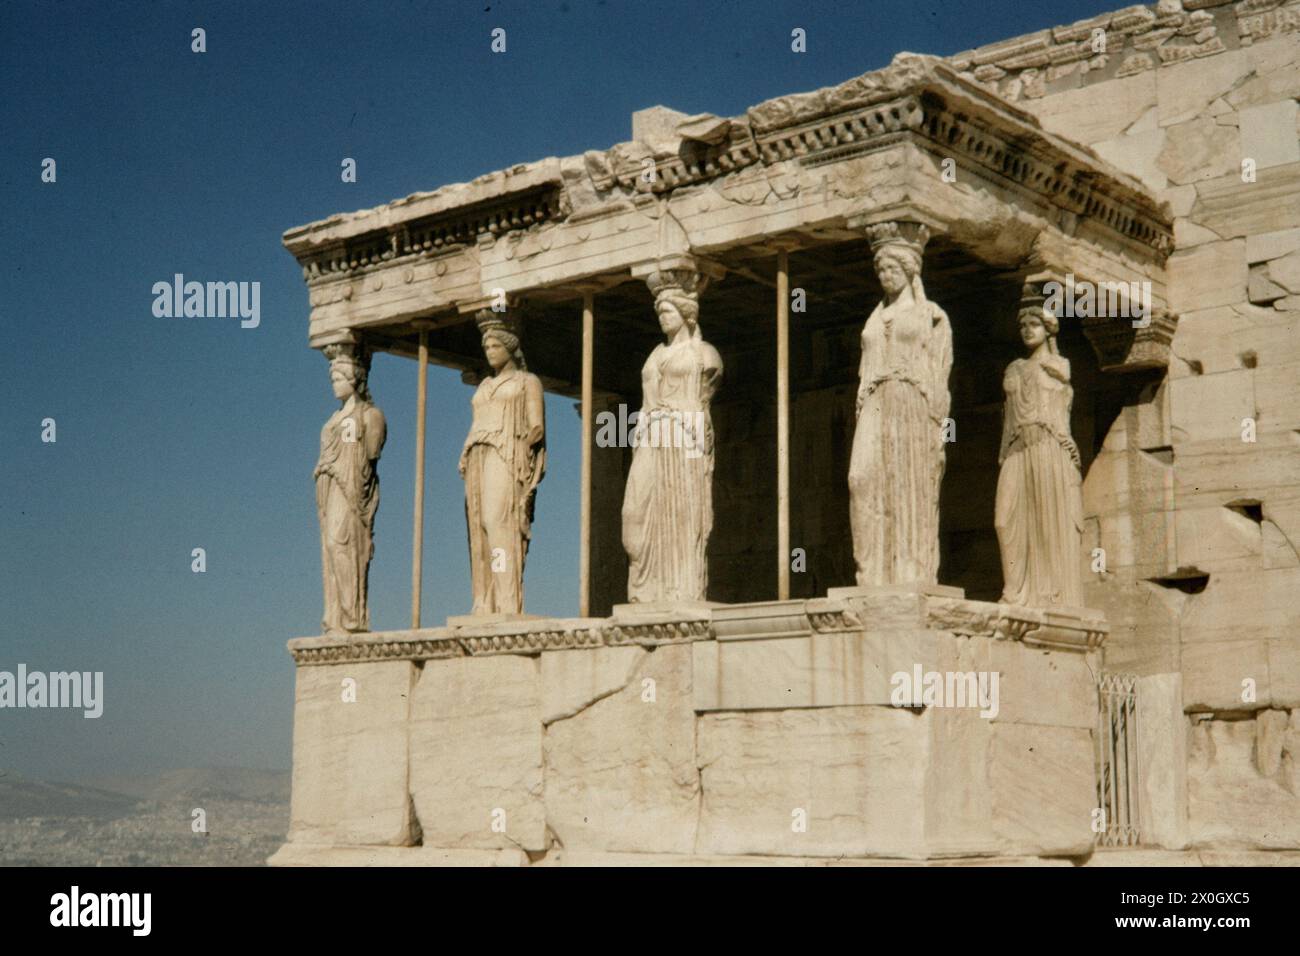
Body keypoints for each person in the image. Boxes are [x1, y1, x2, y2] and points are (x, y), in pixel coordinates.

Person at [849, 224, 952, 587]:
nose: (885, 275)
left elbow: (941, 373)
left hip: (912, 402)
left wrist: (938, 427)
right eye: (880, 270)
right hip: (875, 402)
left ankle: (911, 572)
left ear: (910, 270)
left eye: (892, 268)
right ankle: (872, 572)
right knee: (861, 478)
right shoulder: (874, 317)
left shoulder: (933, 316)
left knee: (908, 484)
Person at [995, 305, 1084, 607]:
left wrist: (1068, 444)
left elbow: (1064, 410)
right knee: (1004, 519)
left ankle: (1049, 596)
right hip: (1017, 445)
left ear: (1048, 329)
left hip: (1048, 444)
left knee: (1047, 521)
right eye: (1023, 325)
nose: (1028, 329)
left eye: (1035, 324)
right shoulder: (1014, 368)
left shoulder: (1059, 366)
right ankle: (1016, 591)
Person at [460, 311, 546, 615]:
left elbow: (537, 426)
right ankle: (486, 599)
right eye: (487, 348)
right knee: (479, 527)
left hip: (506, 454)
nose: (490, 352)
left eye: (495, 346)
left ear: (510, 347)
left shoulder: (527, 382)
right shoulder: (484, 385)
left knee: (498, 523)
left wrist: (523, 451)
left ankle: (508, 598)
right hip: (477, 454)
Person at [314, 344, 386, 636]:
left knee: (339, 544)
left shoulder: (370, 415)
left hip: (352, 489)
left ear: (355, 378)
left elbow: (371, 454)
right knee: (330, 549)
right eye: (332, 379)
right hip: (329, 487)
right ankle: (336, 618)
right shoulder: (333, 418)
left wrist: (350, 475)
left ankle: (352, 613)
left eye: (339, 378)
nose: (334, 385)